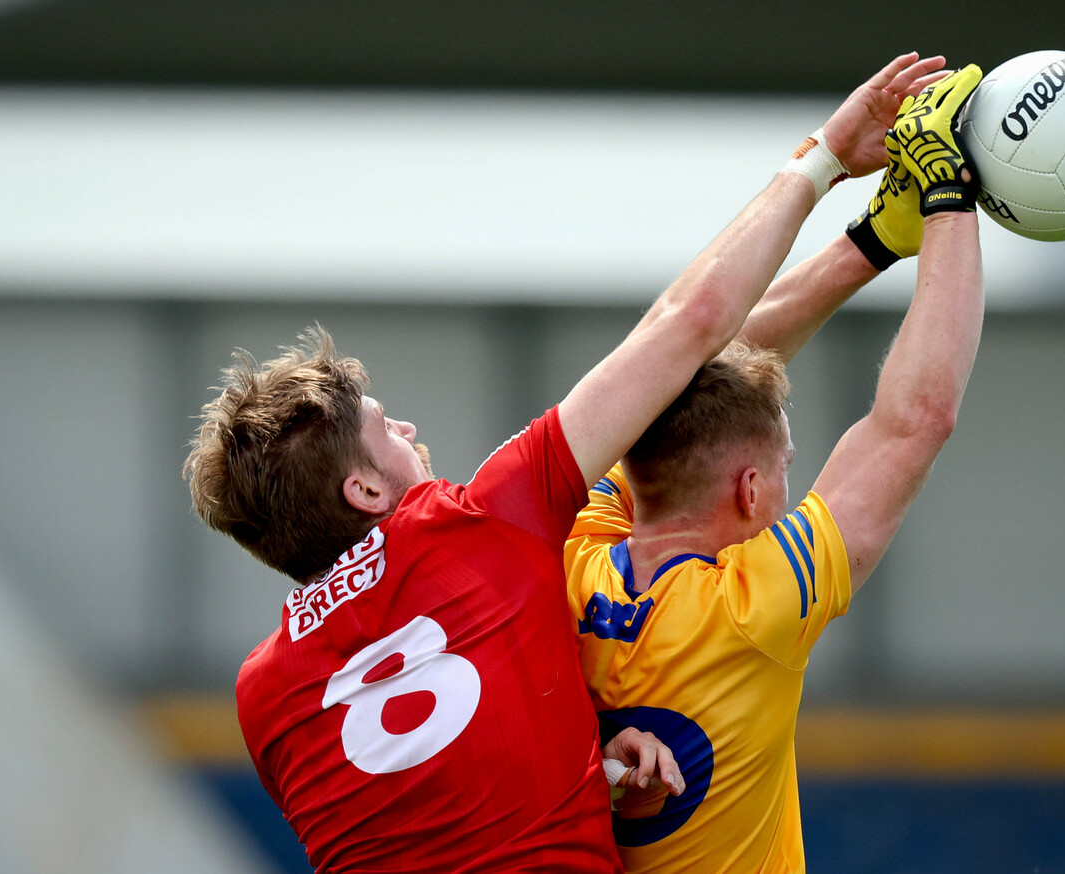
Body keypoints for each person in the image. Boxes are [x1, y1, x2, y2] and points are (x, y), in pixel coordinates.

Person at [182, 52, 947, 874]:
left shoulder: (263, 697)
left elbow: (448, 792)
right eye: (384, 427)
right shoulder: (476, 526)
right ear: (364, 487)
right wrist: (825, 158)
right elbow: (689, 330)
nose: (407, 426)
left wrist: (594, 754)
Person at [564, 65, 985, 873]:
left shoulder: (575, 558)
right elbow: (916, 423)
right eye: (786, 464)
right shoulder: (753, 606)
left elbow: (683, 382)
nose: (793, 483)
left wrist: (874, 242)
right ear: (749, 489)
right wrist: (950, 199)